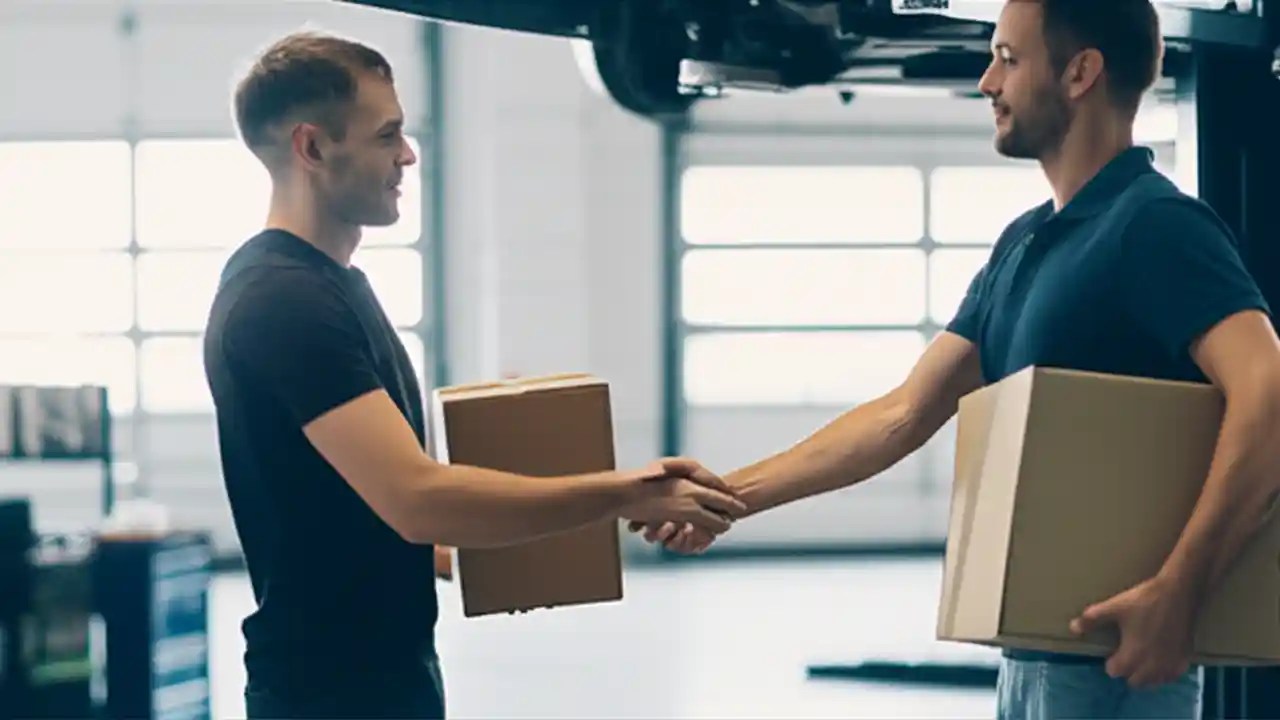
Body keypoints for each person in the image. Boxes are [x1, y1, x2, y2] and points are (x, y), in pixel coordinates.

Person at [634, 0, 1280, 717]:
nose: (985, 82)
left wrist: (1182, 591)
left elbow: (1268, 389)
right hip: (1035, 652)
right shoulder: (1029, 241)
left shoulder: (1155, 225)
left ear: (1080, 72)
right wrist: (726, 497)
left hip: (1116, 660)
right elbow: (902, 414)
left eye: (1007, 57)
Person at [202, 31, 746, 720]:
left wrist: (526, 549)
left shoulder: (332, 287)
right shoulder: (282, 302)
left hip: (381, 674)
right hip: (329, 693)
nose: (408, 154)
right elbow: (417, 498)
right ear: (312, 148)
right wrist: (624, 493)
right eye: (386, 135)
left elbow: (369, 518)